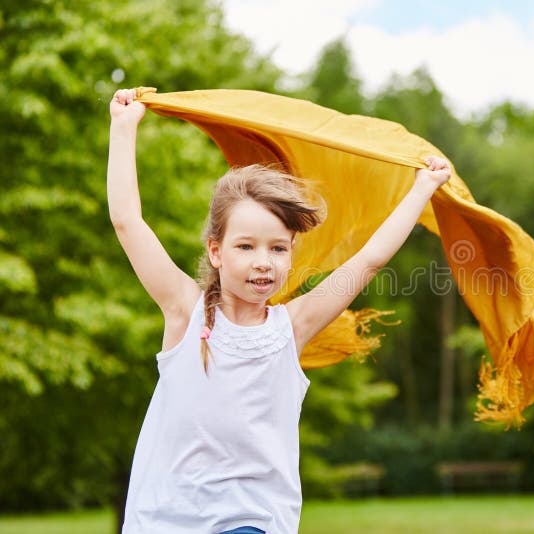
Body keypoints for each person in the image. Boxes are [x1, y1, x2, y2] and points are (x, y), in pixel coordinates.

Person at [108, 88, 451, 534]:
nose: (263, 262)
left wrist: (422, 188)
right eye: (246, 246)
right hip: (170, 519)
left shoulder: (294, 326)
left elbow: (369, 260)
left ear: (291, 255)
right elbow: (127, 222)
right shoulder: (184, 310)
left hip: (253, 520)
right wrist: (123, 127)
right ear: (216, 251)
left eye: (277, 248)